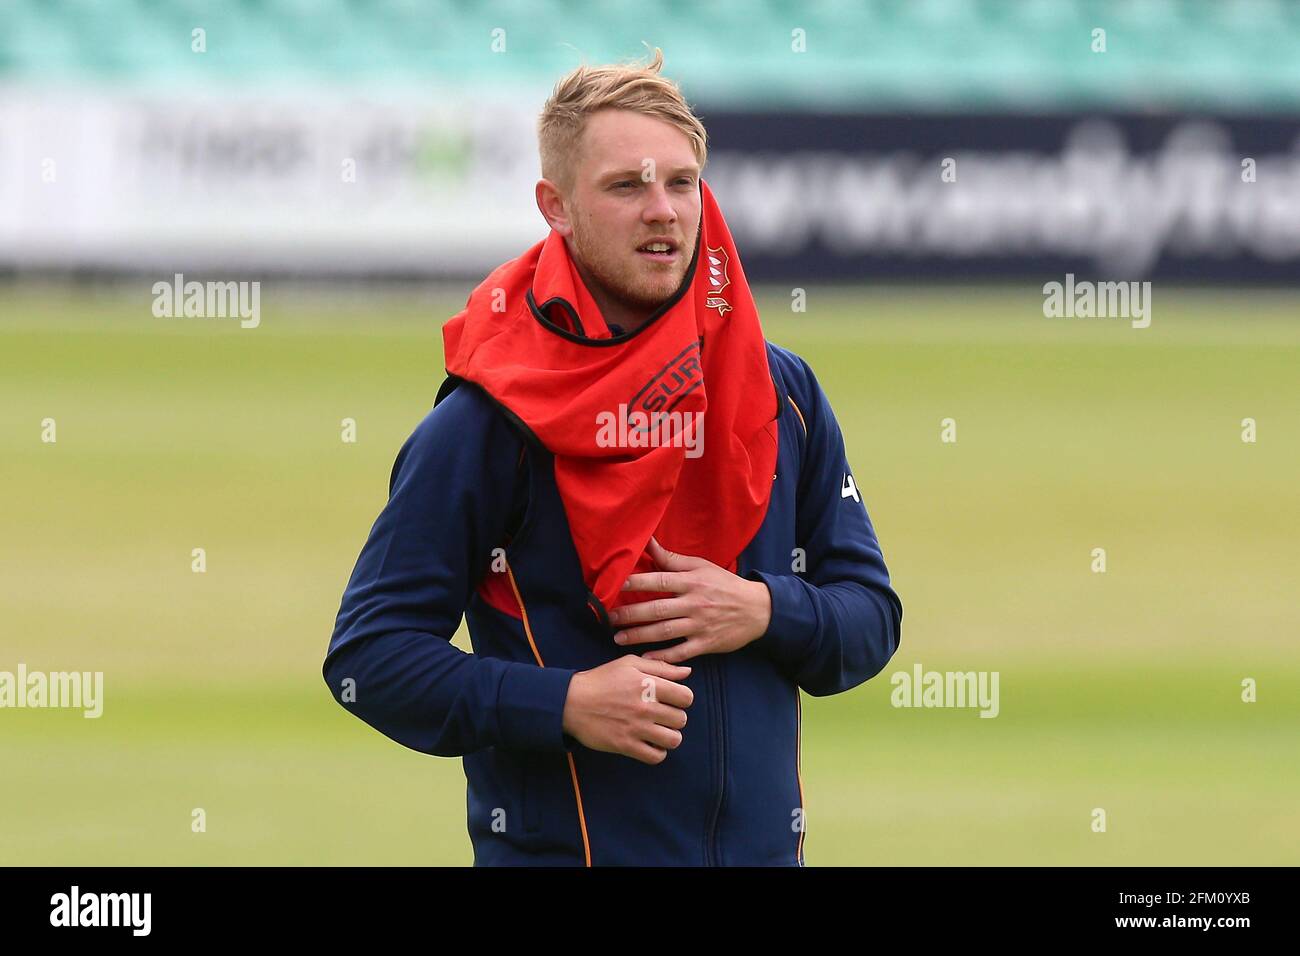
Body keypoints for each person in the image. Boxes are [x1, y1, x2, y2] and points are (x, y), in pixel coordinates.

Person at [323, 48, 902, 866]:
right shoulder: (490, 419)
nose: (663, 210)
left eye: (681, 182)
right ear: (555, 207)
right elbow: (369, 658)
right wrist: (562, 703)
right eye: (626, 186)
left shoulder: (780, 392)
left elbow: (871, 619)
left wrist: (765, 609)